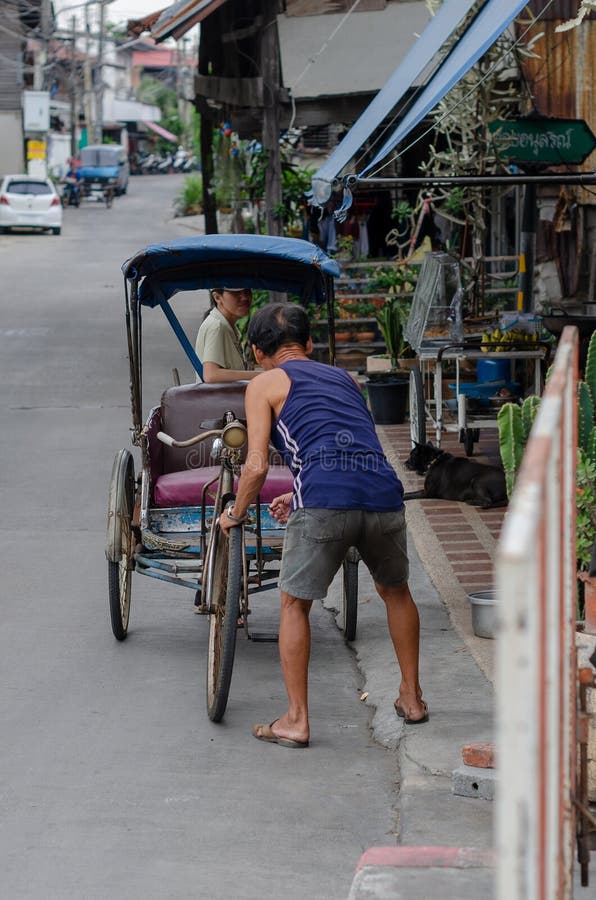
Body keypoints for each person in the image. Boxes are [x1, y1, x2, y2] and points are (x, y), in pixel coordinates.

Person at [219, 303, 427, 748]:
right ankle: (411, 698)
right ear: (309, 344)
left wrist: (234, 514)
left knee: (294, 605)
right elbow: (346, 448)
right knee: (397, 593)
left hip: (324, 504)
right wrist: (296, 494)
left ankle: (296, 719)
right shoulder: (347, 379)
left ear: (257, 353)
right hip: (383, 495)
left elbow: (255, 467)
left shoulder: (264, 384)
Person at [195, 287, 259, 383]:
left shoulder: (227, 326)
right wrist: (262, 375)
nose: (245, 298)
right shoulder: (216, 326)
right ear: (217, 297)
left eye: (247, 291)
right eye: (236, 293)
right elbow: (211, 375)